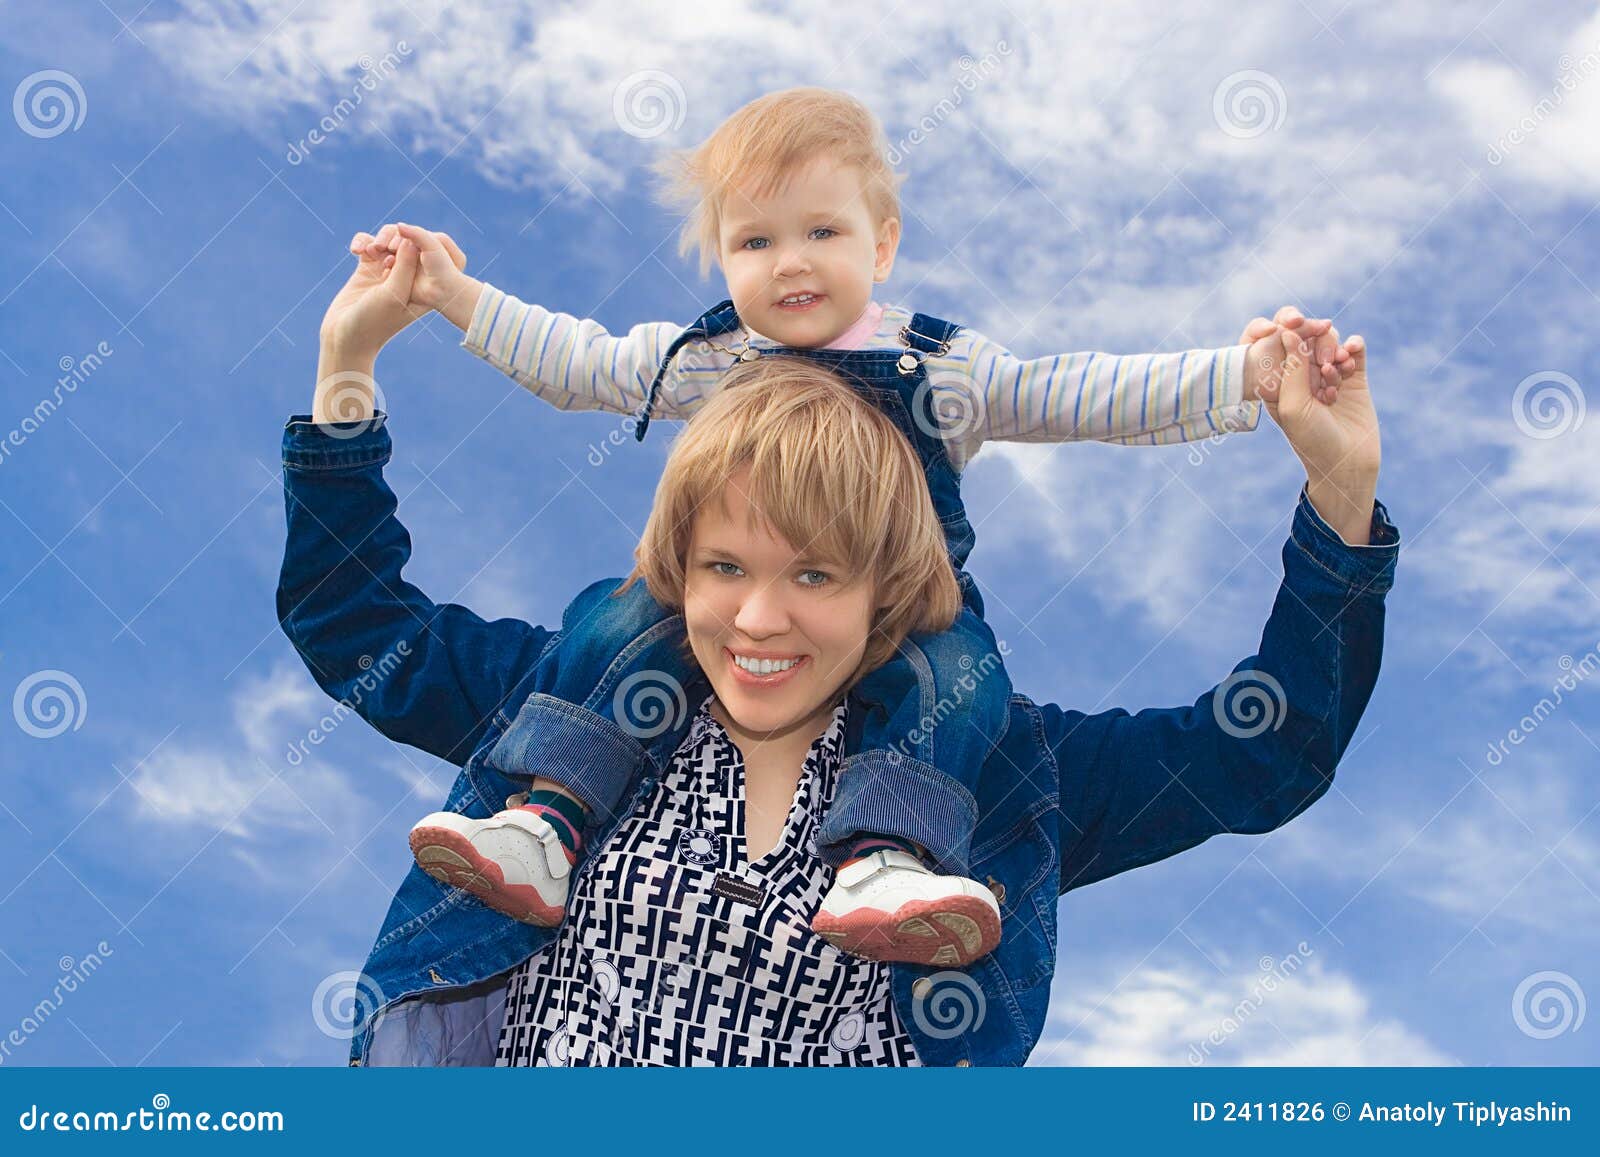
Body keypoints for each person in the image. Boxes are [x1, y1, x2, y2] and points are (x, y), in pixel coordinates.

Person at [277, 233, 1397, 1064]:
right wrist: (346, 368)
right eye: (724, 567)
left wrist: (1340, 498)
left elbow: (1264, 752)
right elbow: (358, 625)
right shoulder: (571, 707)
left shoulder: (995, 771)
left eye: (814, 575)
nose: (759, 619)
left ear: (886, 589)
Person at [350, 86, 1361, 966]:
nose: (790, 263)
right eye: (754, 241)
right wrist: (450, 295)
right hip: (664, 656)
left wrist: (1242, 376)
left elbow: (1081, 391)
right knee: (612, 624)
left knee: (959, 678)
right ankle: (547, 818)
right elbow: (580, 363)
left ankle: (888, 857)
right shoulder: (711, 358)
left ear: (882, 244)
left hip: (912, 607)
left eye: (821, 233)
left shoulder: (942, 367)